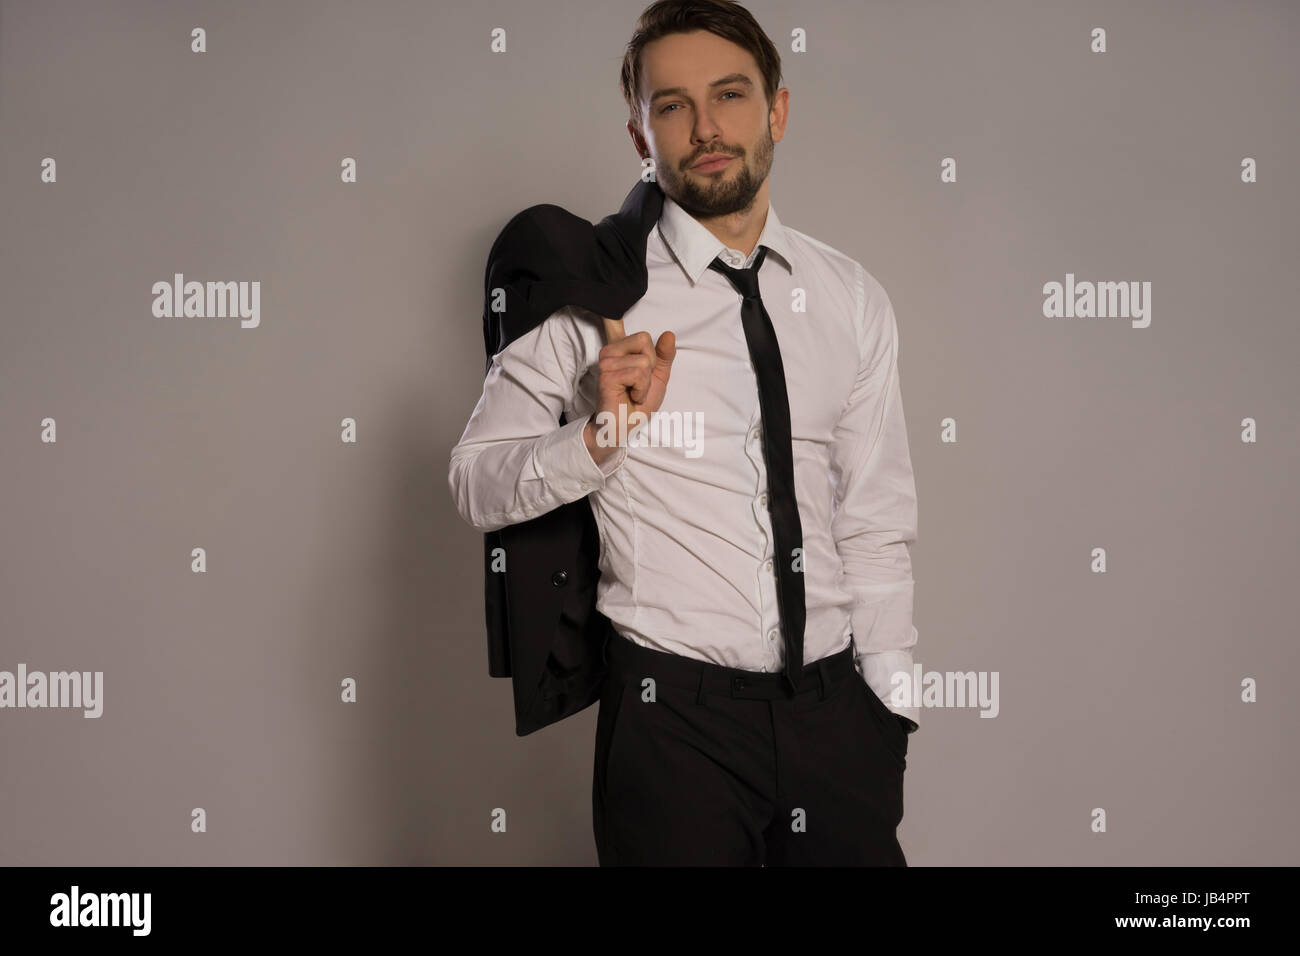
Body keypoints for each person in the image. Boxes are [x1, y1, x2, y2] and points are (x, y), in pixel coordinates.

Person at [449, 0, 920, 866]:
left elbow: (874, 517)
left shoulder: (851, 298)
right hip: (675, 730)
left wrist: (888, 703)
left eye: (731, 94)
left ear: (777, 109)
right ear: (640, 135)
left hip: (838, 719)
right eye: (671, 105)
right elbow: (474, 481)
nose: (705, 127)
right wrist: (596, 437)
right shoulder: (591, 298)